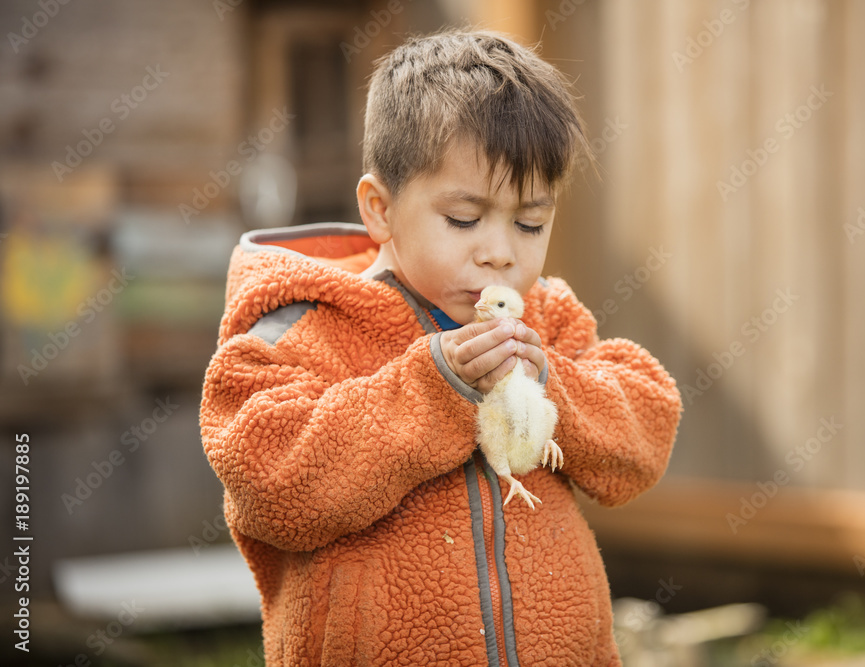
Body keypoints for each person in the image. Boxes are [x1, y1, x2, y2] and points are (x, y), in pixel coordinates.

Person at [200, 29, 681, 666]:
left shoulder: (545, 317)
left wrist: (549, 384)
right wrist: (432, 392)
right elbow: (271, 483)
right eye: (463, 219)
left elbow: (644, 432)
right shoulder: (301, 328)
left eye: (531, 222)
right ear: (379, 209)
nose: (500, 251)